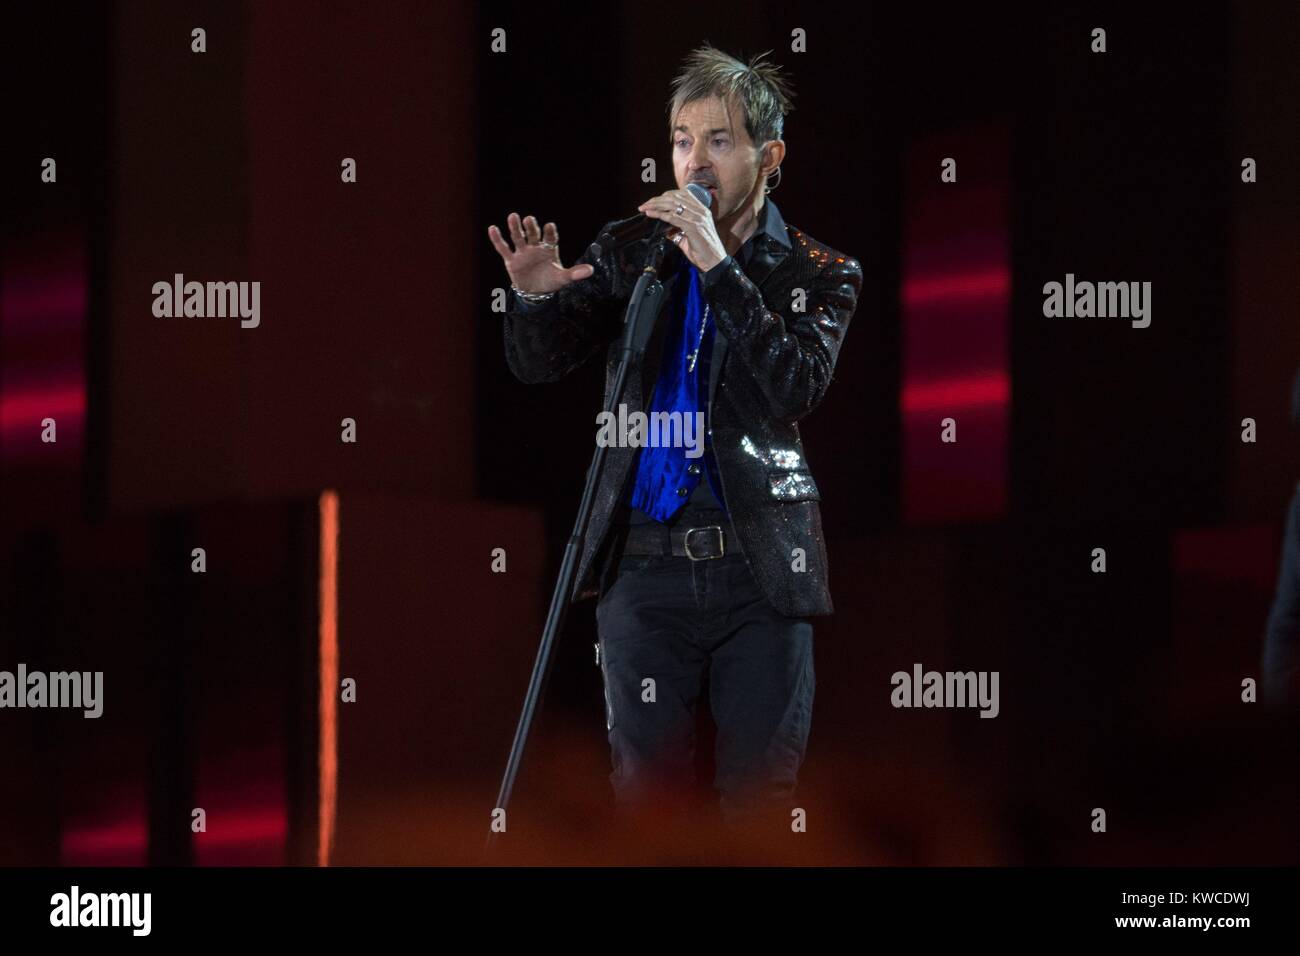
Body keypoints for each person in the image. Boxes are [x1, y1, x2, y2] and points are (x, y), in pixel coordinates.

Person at [487, 45, 862, 829]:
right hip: (644, 568)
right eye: (683, 140)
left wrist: (720, 265)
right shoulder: (636, 248)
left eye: (719, 140)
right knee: (646, 806)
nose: (695, 159)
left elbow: (795, 385)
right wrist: (530, 300)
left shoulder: (818, 270)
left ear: (769, 157)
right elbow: (538, 365)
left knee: (757, 809)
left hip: (761, 569)